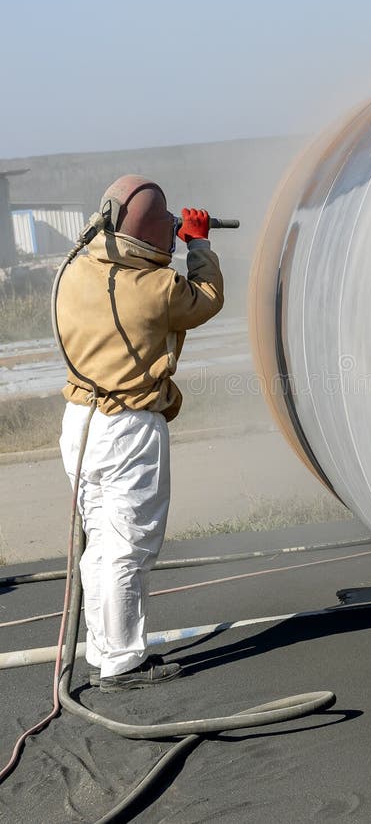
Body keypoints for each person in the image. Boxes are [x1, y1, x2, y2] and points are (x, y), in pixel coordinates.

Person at [56, 174, 224, 692]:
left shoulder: (73, 271)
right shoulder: (156, 288)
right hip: (128, 427)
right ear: (155, 231)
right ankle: (125, 663)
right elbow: (207, 297)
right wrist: (197, 243)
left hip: (80, 423)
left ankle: (105, 650)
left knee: (101, 543)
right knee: (130, 543)